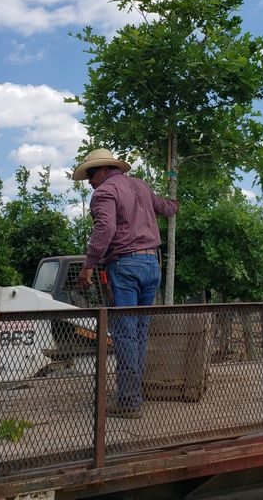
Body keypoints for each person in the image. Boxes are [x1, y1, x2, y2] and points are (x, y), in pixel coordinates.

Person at [74, 148, 178, 418]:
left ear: (105, 170)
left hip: (125, 265)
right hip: (151, 265)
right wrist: (175, 193)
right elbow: (166, 208)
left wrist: (88, 265)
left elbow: (105, 229)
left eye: (91, 174)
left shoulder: (105, 192)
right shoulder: (140, 185)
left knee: (125, 334)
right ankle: (132, 394)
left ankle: (129, 402)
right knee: (139, 334)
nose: (89, 181)